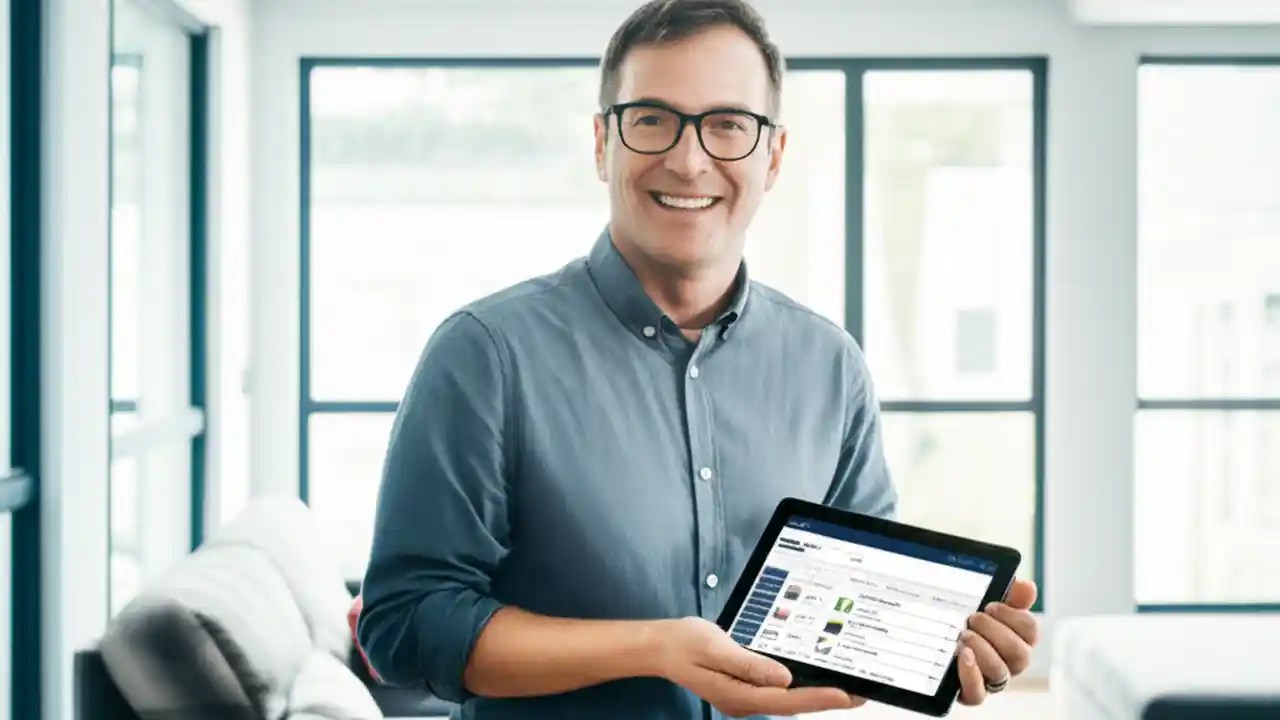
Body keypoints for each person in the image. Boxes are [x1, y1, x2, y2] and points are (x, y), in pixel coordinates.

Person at [357, 1, 1039, 718]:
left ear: (773, 156)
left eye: (728, 124)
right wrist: (651, 647)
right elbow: (405, 627)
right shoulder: (485, 354)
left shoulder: (830, 366)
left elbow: (855, 608)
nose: (688, 160)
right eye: (652, 119)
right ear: (602, 143)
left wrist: (945, 644)